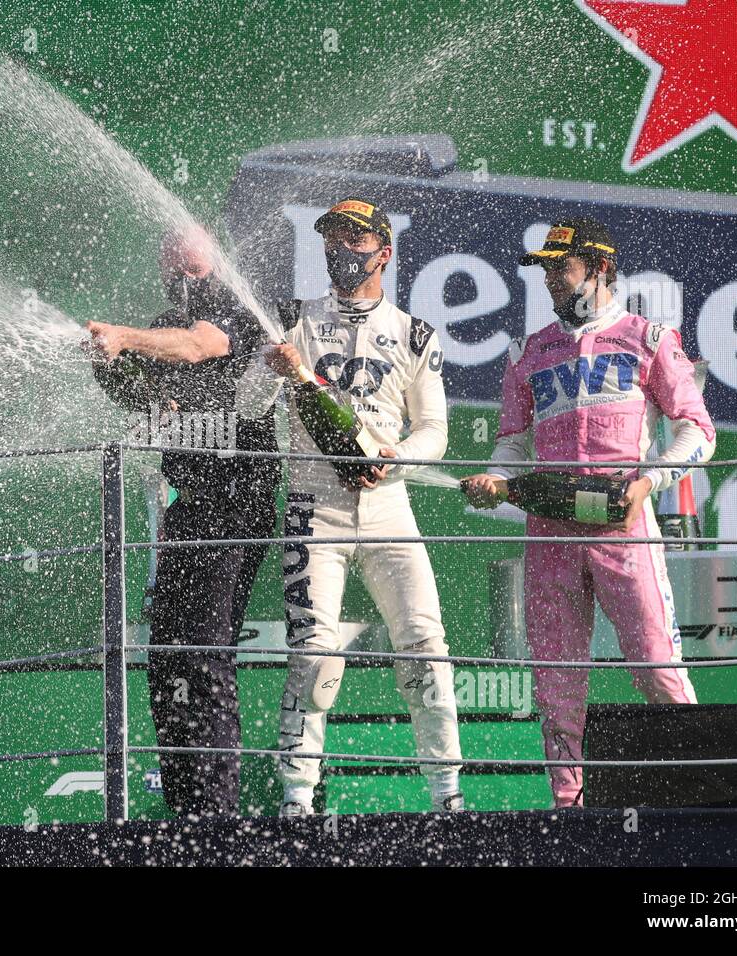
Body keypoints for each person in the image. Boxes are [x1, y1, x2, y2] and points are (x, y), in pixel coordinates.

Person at [462, 217, 715, 807]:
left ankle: (707, 801)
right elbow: (512, 443)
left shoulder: (649, 338)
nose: (550, 279)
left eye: (562, 267)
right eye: (545, 268)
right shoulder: (530, 351)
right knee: (555, 683)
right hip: (549, 532)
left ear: (599, 268)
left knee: (657, 667)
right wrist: (496, 478)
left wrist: (648, 481)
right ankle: (568, 809)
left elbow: (698, 432)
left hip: (623, 528)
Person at [238, 197, 463, 816]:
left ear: (383, 252)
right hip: (315, 507)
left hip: (390, 507)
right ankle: (297, 802)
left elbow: (435, 431)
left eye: (354, 238)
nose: (341, 248)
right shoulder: (292, 318)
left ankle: (449, 796)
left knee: (425, 644)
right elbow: (249, 409)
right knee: (313, 653)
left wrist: (398, 457)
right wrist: (272, 371)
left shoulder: (416, 332)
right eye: (332, 237)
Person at [87, 225, 279, 818]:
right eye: (176, 270)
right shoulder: (166, 321)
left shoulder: (232, 305)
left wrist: (124, 336)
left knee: (203, 653)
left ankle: (214, 816)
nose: (185, 280)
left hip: (232, 503)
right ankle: (184, 808)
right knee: (168, 655)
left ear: (211, 264)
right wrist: (108, 364)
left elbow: (200, 346)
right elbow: (144, 398)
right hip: (186, 505)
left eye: (193, 269)